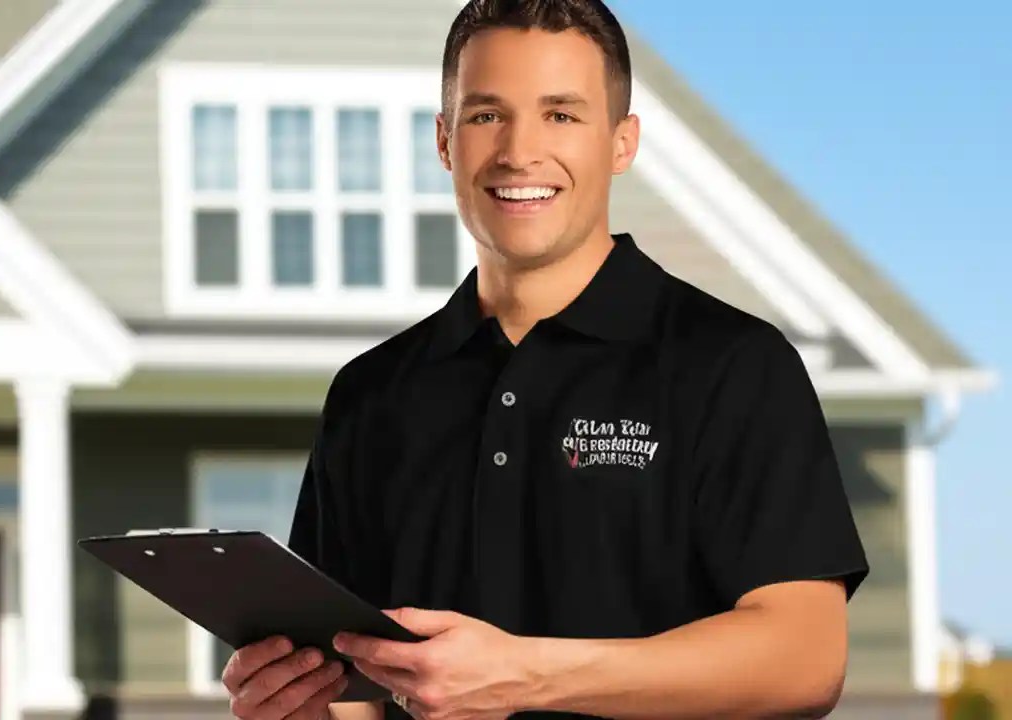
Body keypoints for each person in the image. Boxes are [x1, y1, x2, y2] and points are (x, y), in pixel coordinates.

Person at [222, 1, 869, 718]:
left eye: (561, 115)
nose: (518, 151)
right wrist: (293, 704)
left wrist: (528, 674)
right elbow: (356, 690)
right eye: (485, 115)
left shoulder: (734, 366)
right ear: (444, 141)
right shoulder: (370, 394)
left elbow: (807, 657)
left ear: (622, 143)